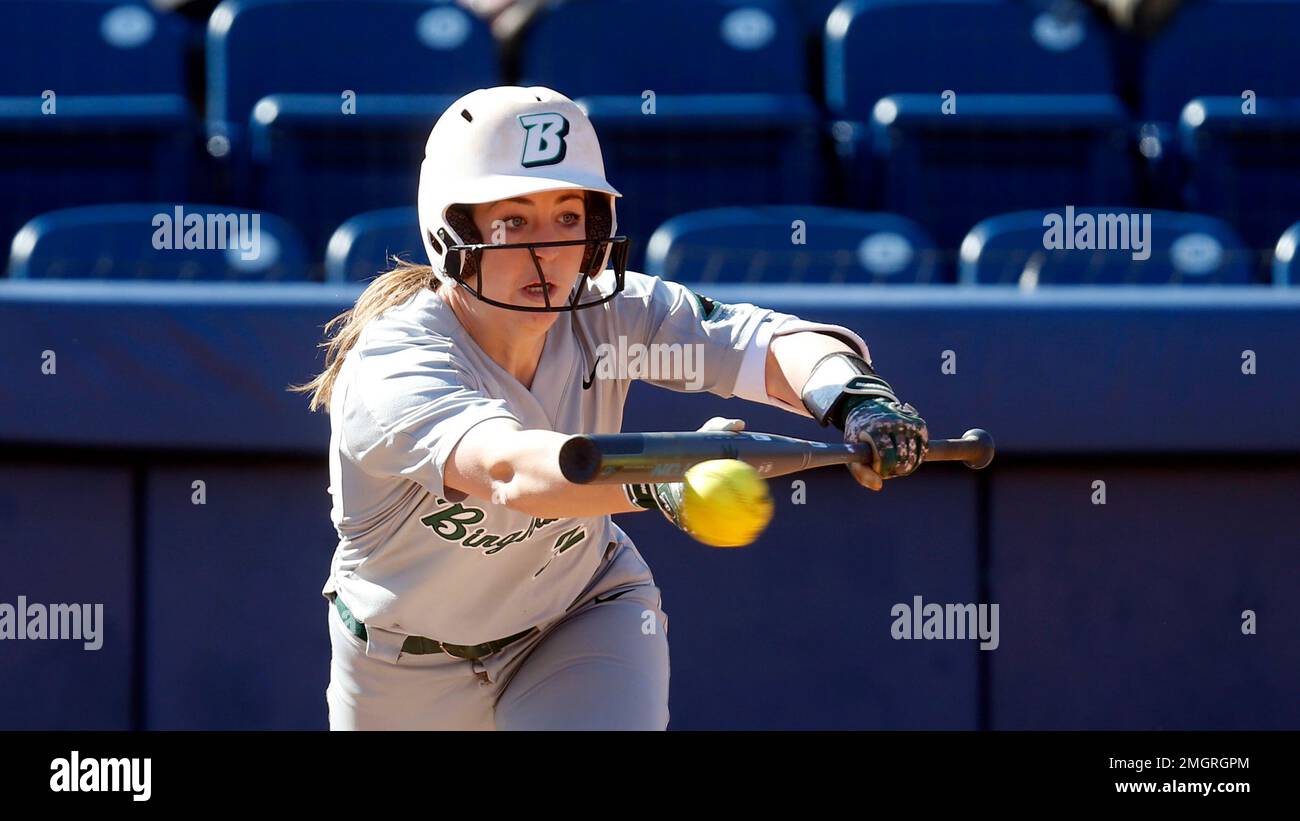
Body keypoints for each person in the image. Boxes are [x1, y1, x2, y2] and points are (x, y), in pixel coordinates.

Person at [294, 86, 928, 730]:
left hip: (578, 613)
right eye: (515, 220)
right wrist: (660, 482)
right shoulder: (396, 359)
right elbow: (510, 472)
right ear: (451, 233)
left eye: (569, 218)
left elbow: (762, 347)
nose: (549, 251)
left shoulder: (609, 311)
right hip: (401, 666)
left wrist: (857, 399)